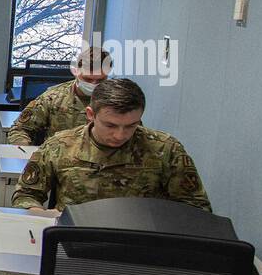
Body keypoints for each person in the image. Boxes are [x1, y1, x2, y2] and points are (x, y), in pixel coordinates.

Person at [12, 76, 211, 215]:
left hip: (141, 242)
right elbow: (26, 194)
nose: (119, 135)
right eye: (110, 125)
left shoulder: (165, 149)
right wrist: (40, 214)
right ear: (90, 115)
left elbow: (195, 207)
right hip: (73, 240)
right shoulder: (60, 145)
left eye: (131, 126)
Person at [6, 46, 112, 145]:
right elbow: (19, 129)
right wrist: (26, 153)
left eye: (100, 80)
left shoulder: (115, 100)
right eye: (87, 79)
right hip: (57, 159)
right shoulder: (53, 97)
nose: (93, 84)